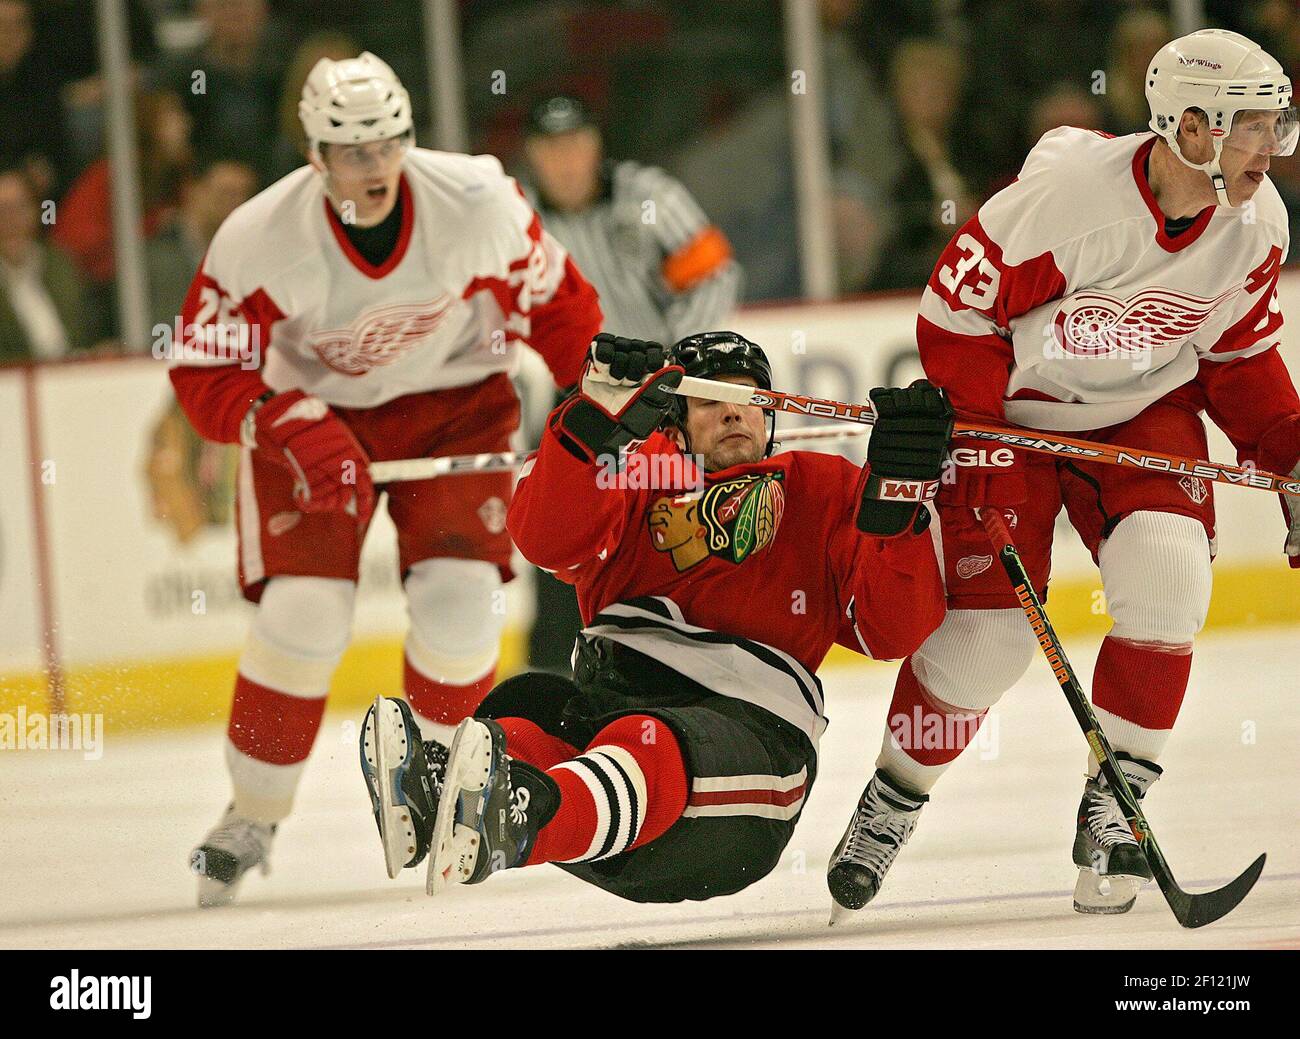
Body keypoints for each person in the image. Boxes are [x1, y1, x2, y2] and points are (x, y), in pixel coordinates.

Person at [828, 28, 1300, 917]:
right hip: (1015, 407)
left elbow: (1238, 362)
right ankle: (893, 796)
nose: (1270, 149)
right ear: (1192, 128)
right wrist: (980, 435)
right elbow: (952, 319)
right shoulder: (1066, 202)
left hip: (1147, 407)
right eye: (1252, 128)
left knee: (1169, 577)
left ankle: (1115, 816)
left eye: (1280, 126)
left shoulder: (1256, 222)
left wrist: (1290, 457)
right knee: (991, 638)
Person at [169, 52, 602, 907]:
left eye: (388, 145)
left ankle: (436, 780)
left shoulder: (476, 202)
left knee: (462, 600)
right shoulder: (260, 235)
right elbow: (203, 370)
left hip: (456, 409)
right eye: (351, 152)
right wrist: (284, 421)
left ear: (408, 137)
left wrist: (592, 409)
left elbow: (564, 315)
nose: (374, 169)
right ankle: (252, 812)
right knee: (304, 614)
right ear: (314, 155)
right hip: (314, 425)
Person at [360, 331, 952, 904]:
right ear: (672, 419)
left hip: (745, 755)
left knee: (646, 742)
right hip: (617, 707)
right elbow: (546, 541)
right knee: (526, 709)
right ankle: (448, 800)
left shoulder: (821, 486)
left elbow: (891, 630)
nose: (733, 414)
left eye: (750, 399)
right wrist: (589, 425)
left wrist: (900, 500)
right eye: (710, 400)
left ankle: (522, 810)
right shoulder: (633, 472)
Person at [520, 94, 742, 674]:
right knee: (563, 531)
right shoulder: (519, 220)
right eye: (551, 147)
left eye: (575, 143)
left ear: (596, 145)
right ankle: (553, 670)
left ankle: (696, 650)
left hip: (664, 391)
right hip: (574, 397)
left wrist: (681, 364)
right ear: (532, 156)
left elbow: (713, 274)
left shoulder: (648, 197)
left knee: (677, 518)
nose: (565, 160)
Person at [0, 164, 89, 362]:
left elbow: (87, 334)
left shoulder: (60, 265)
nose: (10, 220)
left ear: (35, 212)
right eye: (2, 210)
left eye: (19, 207)